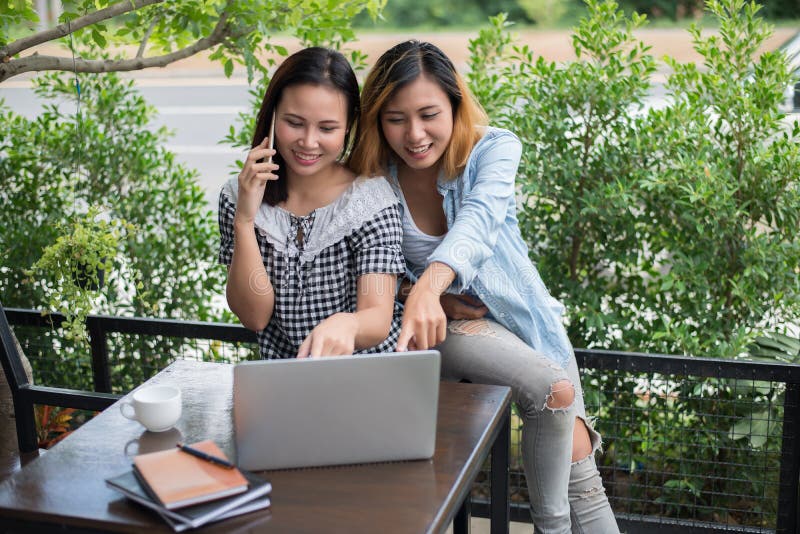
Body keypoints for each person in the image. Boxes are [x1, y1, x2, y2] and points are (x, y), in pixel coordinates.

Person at [350, 40, 620, 533]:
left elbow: (477, 222)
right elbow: (367, 266)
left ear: (455, 104)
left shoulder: (492, 148)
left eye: (429, 114)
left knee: (580, 467)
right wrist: (421, 296)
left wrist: (427, 285)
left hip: (524, 318)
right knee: (552, 393)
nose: (414, 134)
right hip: (450, 327)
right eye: (395, 118)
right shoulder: (372, 176)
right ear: (376, 119)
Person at [219, 47, 404, 359]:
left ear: (348, 127)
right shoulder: (238, 195)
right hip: (286, 380)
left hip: (367, 372)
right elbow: (254, 316)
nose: (308, 141)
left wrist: (346, 323)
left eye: (327, 128)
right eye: (294, 122)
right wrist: (245, 221)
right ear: (272, 116)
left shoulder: (369, 200)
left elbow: (377, 318)